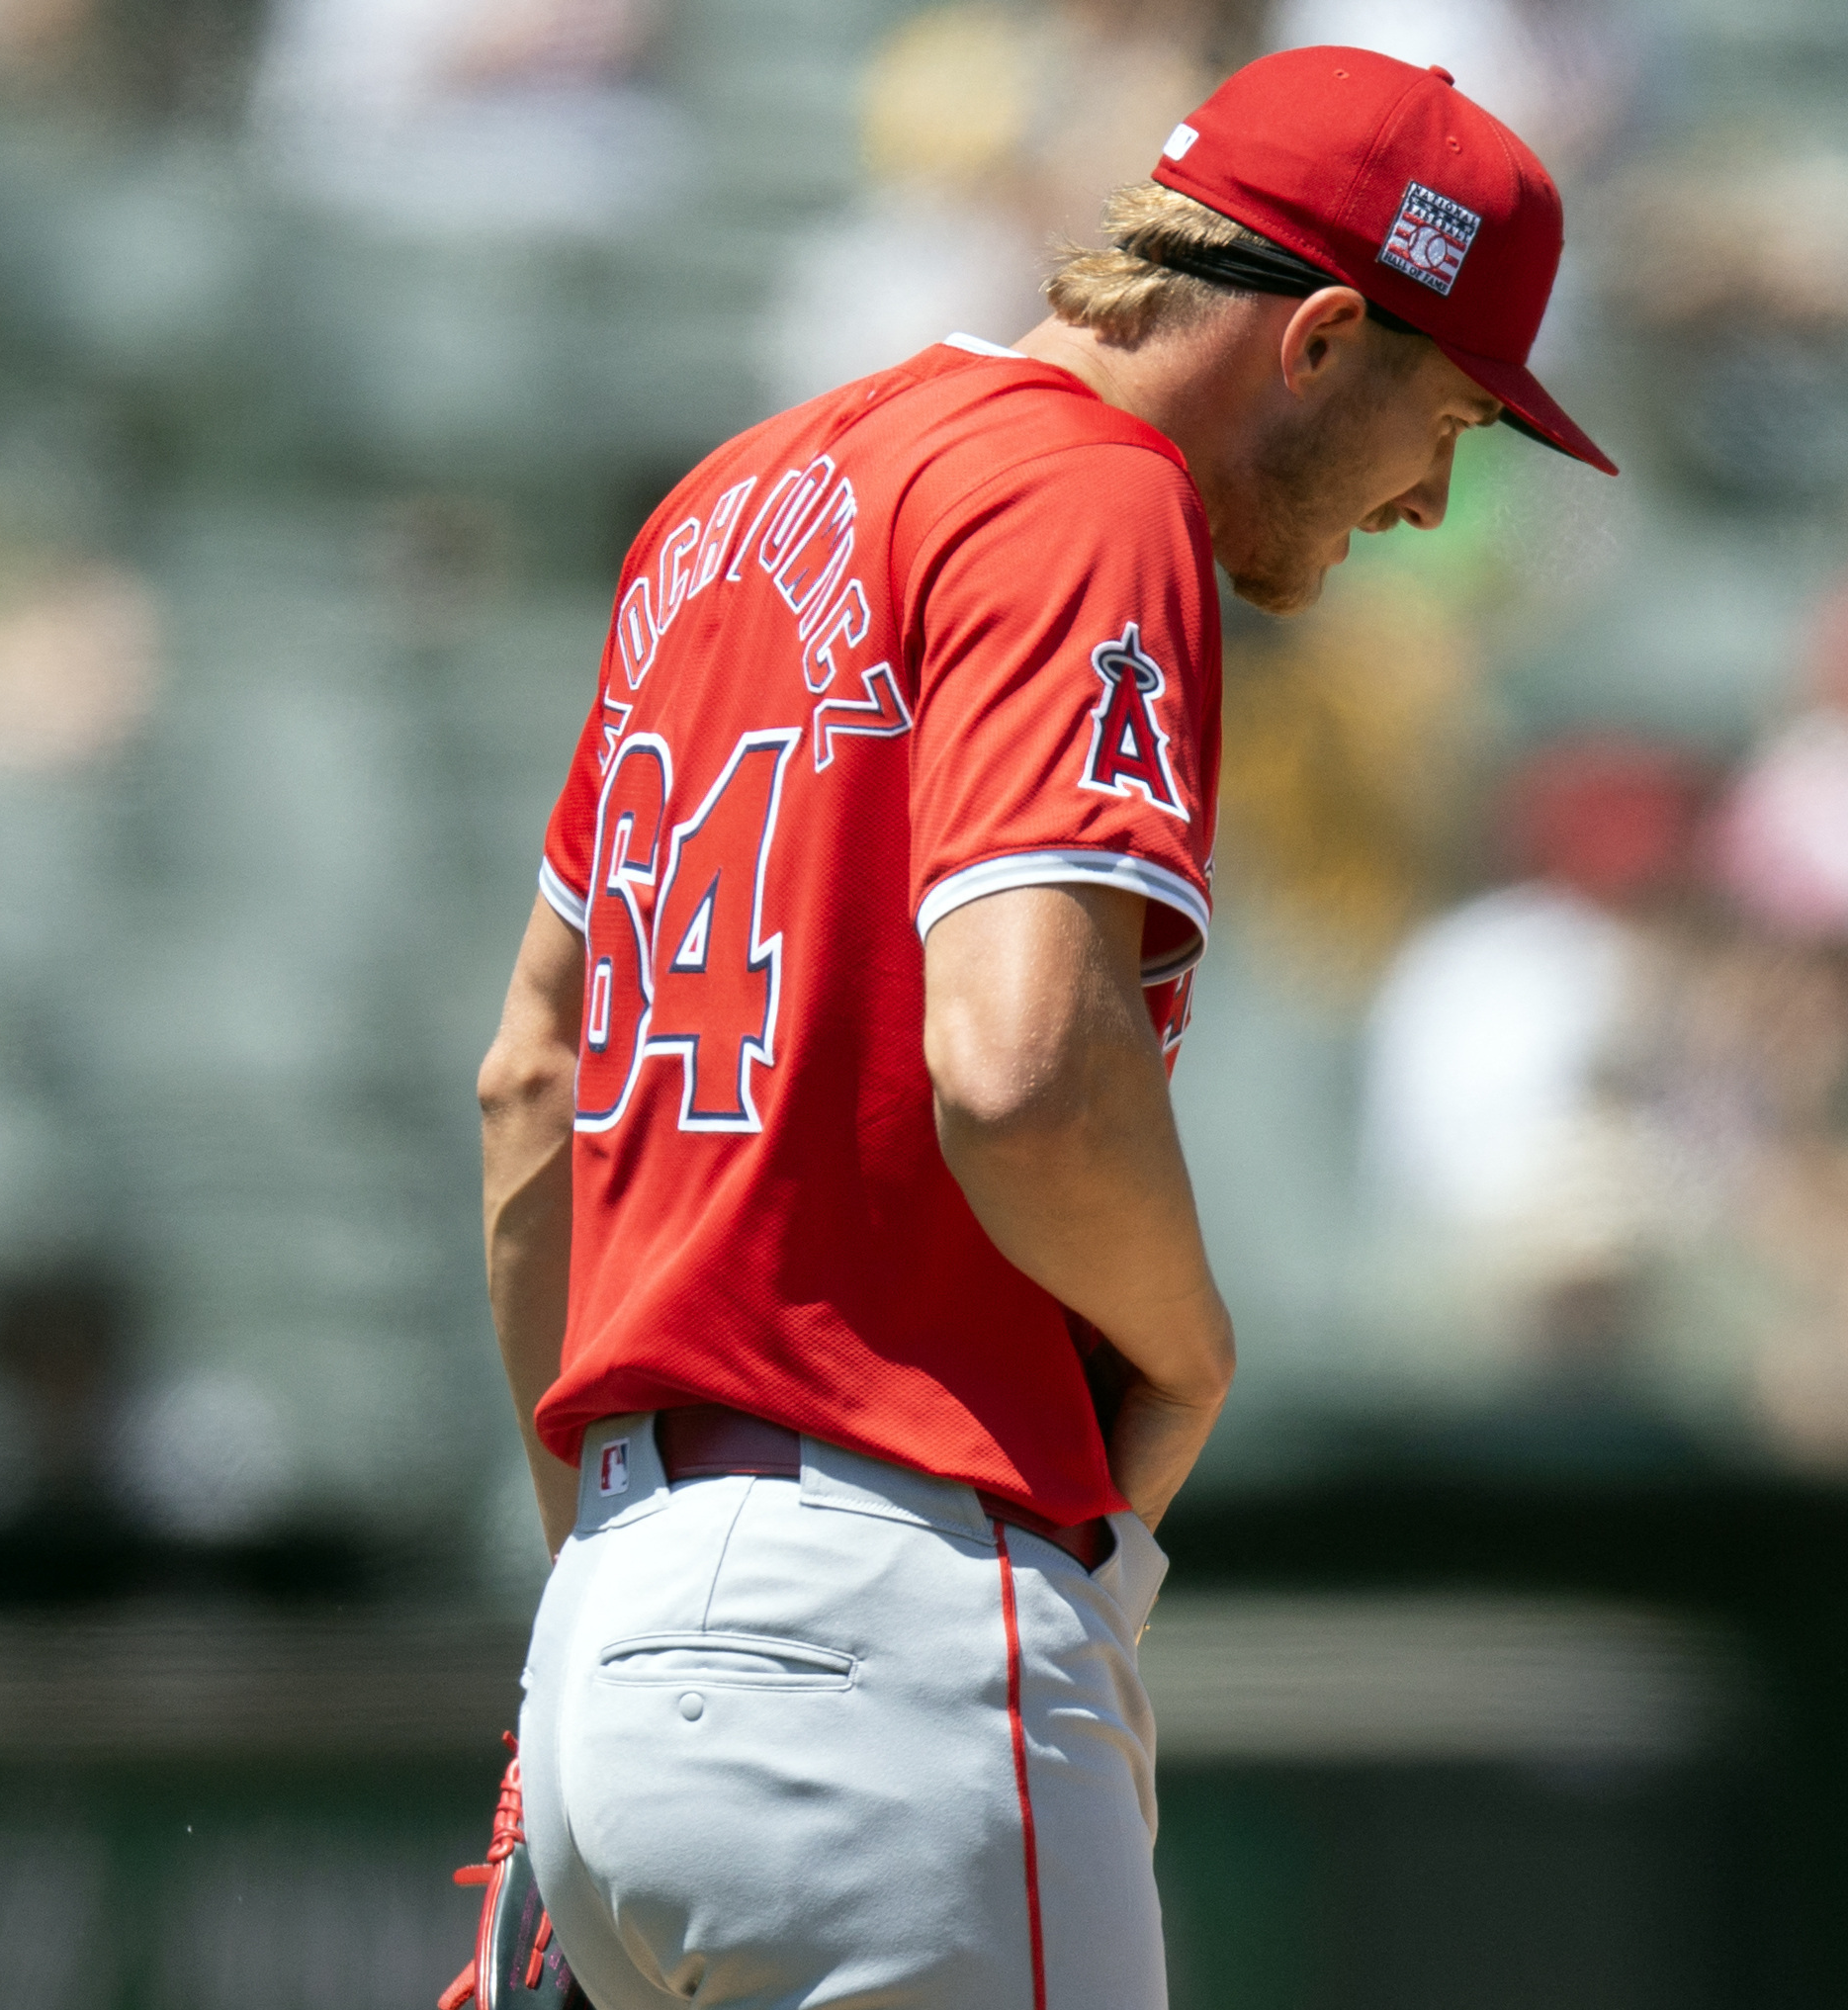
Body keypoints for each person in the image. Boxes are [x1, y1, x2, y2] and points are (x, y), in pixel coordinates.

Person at [468, 46, 1610, 2010]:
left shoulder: (731, 497)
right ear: (1324, 337)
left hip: (615, 1640)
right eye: (1455, 416)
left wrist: (626, 1572)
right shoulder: (1092, 496)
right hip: (884, 1625)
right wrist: (1186, 1348)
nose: (1438, 499)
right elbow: (1019, 1066)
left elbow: (532, 1080)